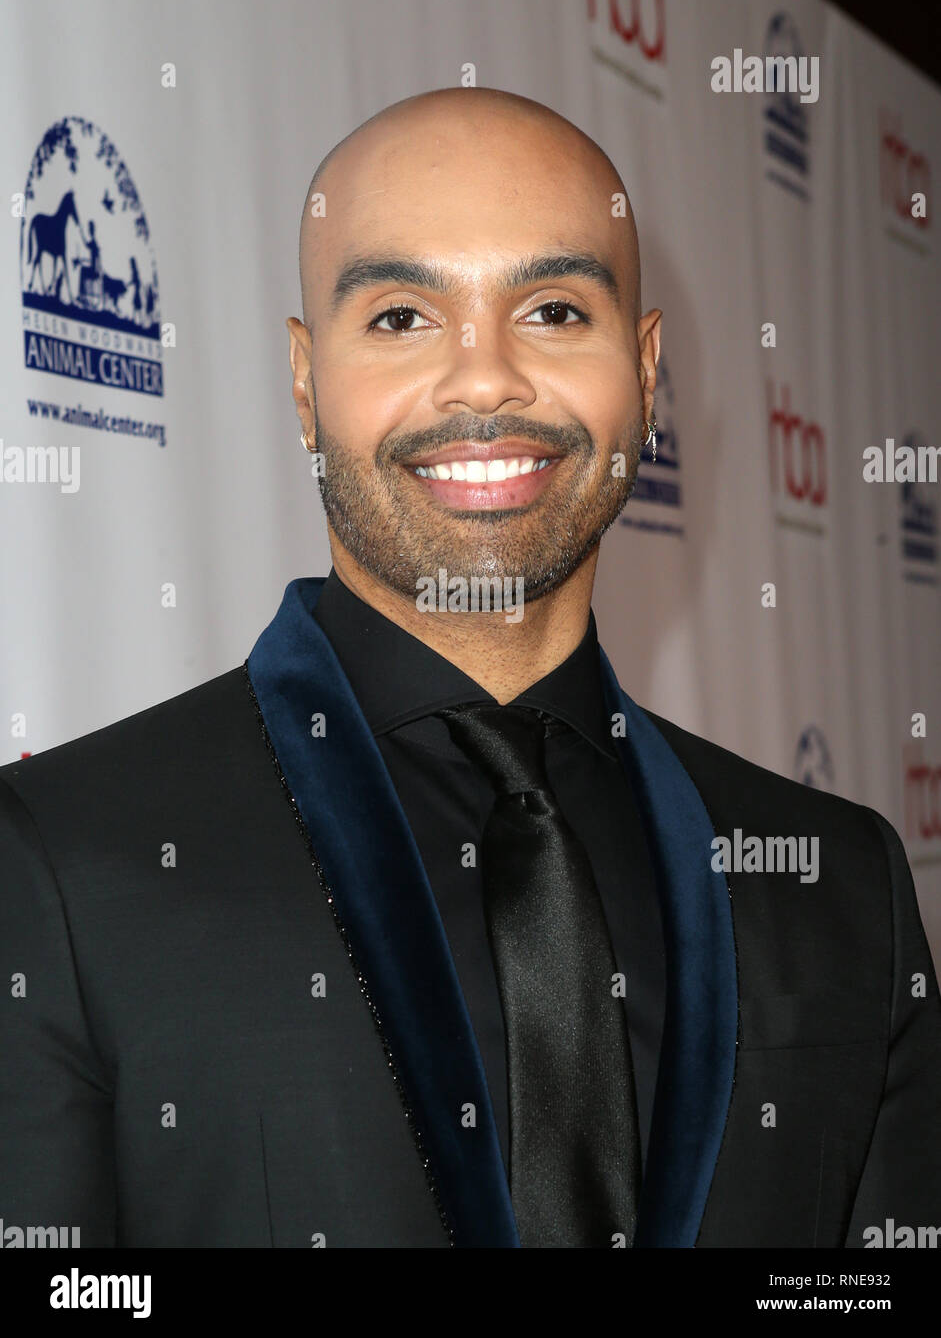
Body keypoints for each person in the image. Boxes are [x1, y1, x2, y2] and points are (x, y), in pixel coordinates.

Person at [1, 87, 939, 1249]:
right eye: (401, 317)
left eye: (550, 309)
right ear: (304, 382)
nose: (483, 381)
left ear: (644, 377)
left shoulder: (837, 884)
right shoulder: (57, 858)